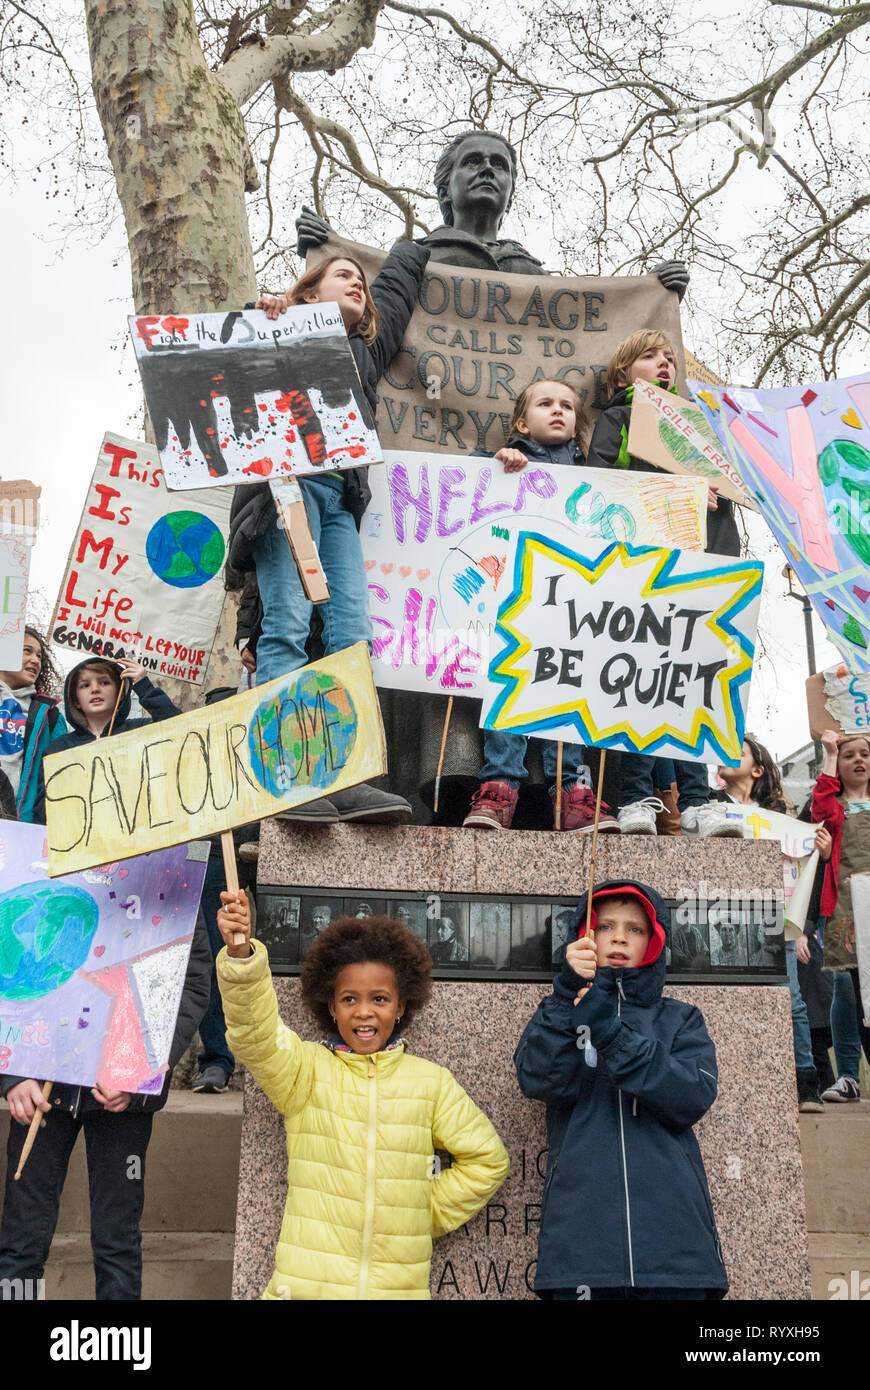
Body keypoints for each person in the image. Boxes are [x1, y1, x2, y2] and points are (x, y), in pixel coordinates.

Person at [227, 241, 431, 826]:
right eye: (344, 275)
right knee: (287, 624)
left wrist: (420, 245)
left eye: (361, 283)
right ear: (308, 293)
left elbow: (394, 287)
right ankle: (286, 776)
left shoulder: (365, 353)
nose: (358, 285)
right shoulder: (272, 329)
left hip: (338, 499)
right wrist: (263, 312)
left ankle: (349, 775)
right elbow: (226, 361)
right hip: (283, 493)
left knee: (352, 634)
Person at [216, 905, 509, 1299]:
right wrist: (241, 958)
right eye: (350, 999)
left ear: (401, 1006)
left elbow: (488, 1161)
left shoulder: (430, 1082)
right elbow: (256, 1034)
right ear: (332, 1007)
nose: (364, 1011)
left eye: (380, 999)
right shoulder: (306, 1071)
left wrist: (419, 1211)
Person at [514, 879, 727, 1298]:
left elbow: (691, 1095)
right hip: (583, 1247)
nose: (618, 937)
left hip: (674, 1250)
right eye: (605, 926)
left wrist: (611, 1034)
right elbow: (538, 1078)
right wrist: (564, 995)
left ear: (653, 940)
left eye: (634, 929)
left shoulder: (680, 1019)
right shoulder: (561, 1009)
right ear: (585, 936)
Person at [586, 330, 741, 838]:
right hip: (645, 567)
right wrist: (676, 494)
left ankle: (699, 800)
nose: (663, 364)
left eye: (669, 358)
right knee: (642, 680)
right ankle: (635, 799)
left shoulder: (699, 427)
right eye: (650, 357)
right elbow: (603, 480)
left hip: (703, 563)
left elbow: (728, 489)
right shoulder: (620, 418)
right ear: (623, 373)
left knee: (690, 681)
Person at [460, 378, 620, 834]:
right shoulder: (504, 463)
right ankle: (498, 790)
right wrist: (493, 463)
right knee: (508, 693)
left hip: (571, 613)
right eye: (545, 403)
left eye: (567, 406)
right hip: (513, 605)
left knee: (565, 696)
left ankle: (571, 794)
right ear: (520, 423)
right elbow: (465, 487)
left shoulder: (595, 477)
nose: (558, 411)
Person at [296, 130, 690, 292]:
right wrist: (326, 261)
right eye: (473, 162)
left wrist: (649, 297)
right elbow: (359, 315)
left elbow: (603, 344)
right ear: (444, 190)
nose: (487, 169)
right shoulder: (409, 261)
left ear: (510, 193)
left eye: (499, 166)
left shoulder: (535, 275)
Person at [716, 733, 820, 1109]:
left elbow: (802, 858)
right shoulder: (710, 807)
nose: (725, 754)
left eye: (736, 750)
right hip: (727, 918)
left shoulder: (781, 818)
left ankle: (805, 1081)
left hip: (775, 918)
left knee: (791, 1000)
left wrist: (815, 846)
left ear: (757, 769)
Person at [33, 656, 180, 820]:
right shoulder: (59, 749)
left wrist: (143, 686)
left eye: (104, 682)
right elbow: (44, 812)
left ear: (119, 692)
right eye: (85, 685)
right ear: (75, 701)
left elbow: (180, 729)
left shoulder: (141, 730)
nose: (95, 689)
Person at [810, 729, 870, 1084]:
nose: (859, 760)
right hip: (847, 911)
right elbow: (820, 804)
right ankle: (849, 1075)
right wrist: (830, 752)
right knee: (852, 992)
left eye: (865, 753)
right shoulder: (835, 811)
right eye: (850, 756)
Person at [0, 625, 66, 822]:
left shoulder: (50, 716)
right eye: (26, 651)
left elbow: (60, 777)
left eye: (39, 656)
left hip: (22, 828)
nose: (35, 660)